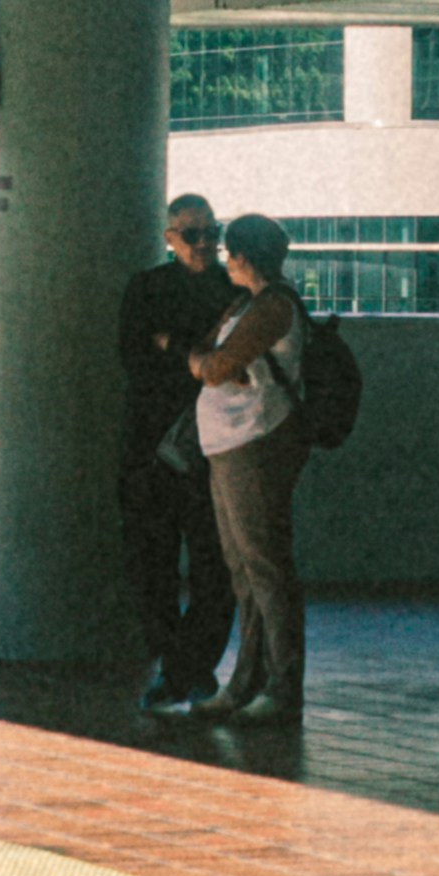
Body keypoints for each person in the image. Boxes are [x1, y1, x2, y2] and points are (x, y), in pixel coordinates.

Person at [171, 210, 311, 730]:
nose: (225, 259)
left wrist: (201, 361)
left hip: (257, 444)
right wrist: (209, 361)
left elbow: (213, 365)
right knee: (244, 569)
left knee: (266, 567)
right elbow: (212, 358)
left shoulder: (273, 305)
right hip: (229, 446)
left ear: (246, 256)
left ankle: (281, 688)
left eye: (230, 251)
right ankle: (247, 683)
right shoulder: (246, 303)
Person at [112, 194, 235, 706]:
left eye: (212, 232)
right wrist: (195, 355)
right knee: (153, 562)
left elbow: (157, 357)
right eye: (192, 234)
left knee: (212, 563)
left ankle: (180, 666)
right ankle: (184, 664)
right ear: (170, 238)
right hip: (159, 446)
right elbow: (134, 356)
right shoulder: (151, 287)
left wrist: (172, 346)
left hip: (197, 441)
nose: (204, 242)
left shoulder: (224, 287)